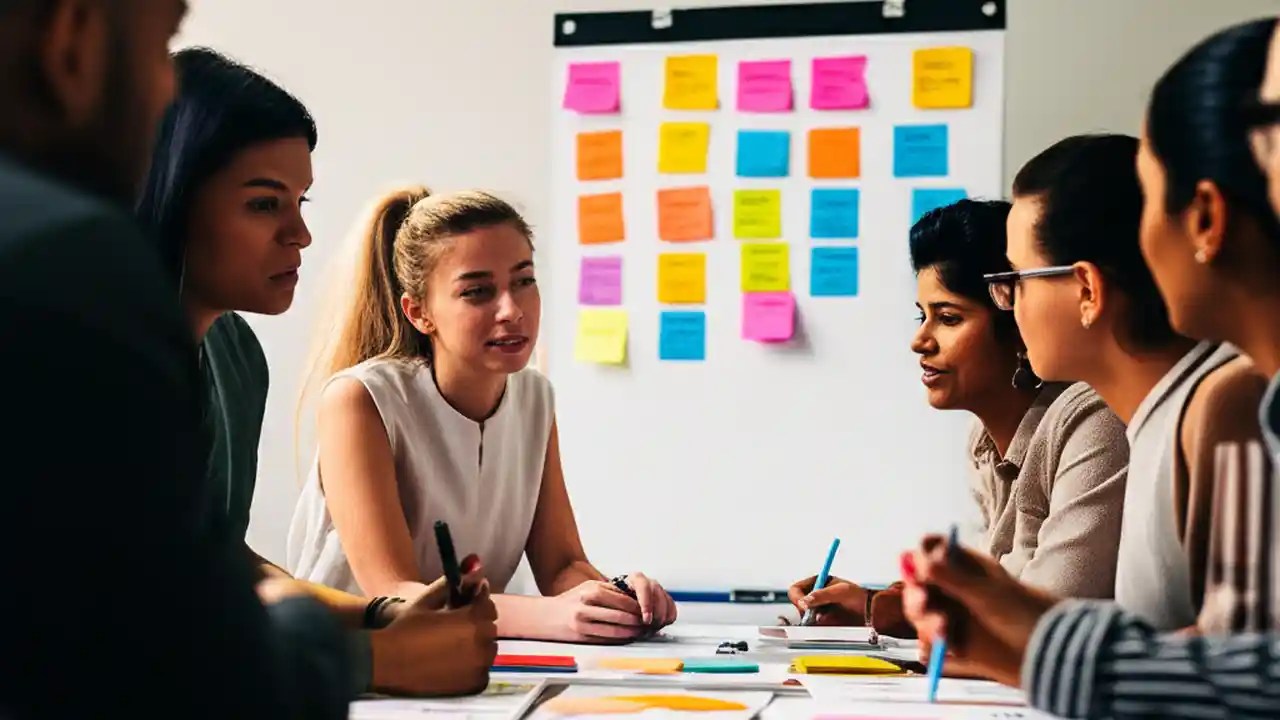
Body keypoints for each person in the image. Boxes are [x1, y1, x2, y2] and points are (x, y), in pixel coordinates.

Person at [902, 18, 1280, 719]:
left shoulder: (1227, 405)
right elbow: (1225, 652)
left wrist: (1028, 644)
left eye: (1013, 279)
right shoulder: (1177, 410)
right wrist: (1006, 612)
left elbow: (1248, 677)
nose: (1007, 303)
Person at [0, 1, 348, 717]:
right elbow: (191, 663)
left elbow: (205, 562)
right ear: (71, 40)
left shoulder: (236, 353)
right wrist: (348, 642)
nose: (302, 236)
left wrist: (362, 613)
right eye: (164, 47)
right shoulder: (70, 269)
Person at [135, 46, 499, 697]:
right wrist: (378, 659)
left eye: (300, 200)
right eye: (264, 204)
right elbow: (125, 624)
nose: (300, 233)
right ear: (175, 191)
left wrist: (382, 616)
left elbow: (222, 565)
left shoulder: (235, 353)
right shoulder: (93, 357)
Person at [288, 187, 678, 643]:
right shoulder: (359, 399)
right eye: (477, 292)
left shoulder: (535, 396)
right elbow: (394, 593)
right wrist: (552, 616)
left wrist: (617, 596)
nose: (512, 310)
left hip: (461, 661)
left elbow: (560, 566)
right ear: (419, 313)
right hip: (347, 667)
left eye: (524, 281)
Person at [789, 200, 1128, 637]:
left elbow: (1044, 623)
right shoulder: (984, 443)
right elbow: (995, 595)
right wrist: (877, 604)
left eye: (948, 318)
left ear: (1017, 321)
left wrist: (890, 609)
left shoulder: (1092, 421)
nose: (919, 341)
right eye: (922, 315)